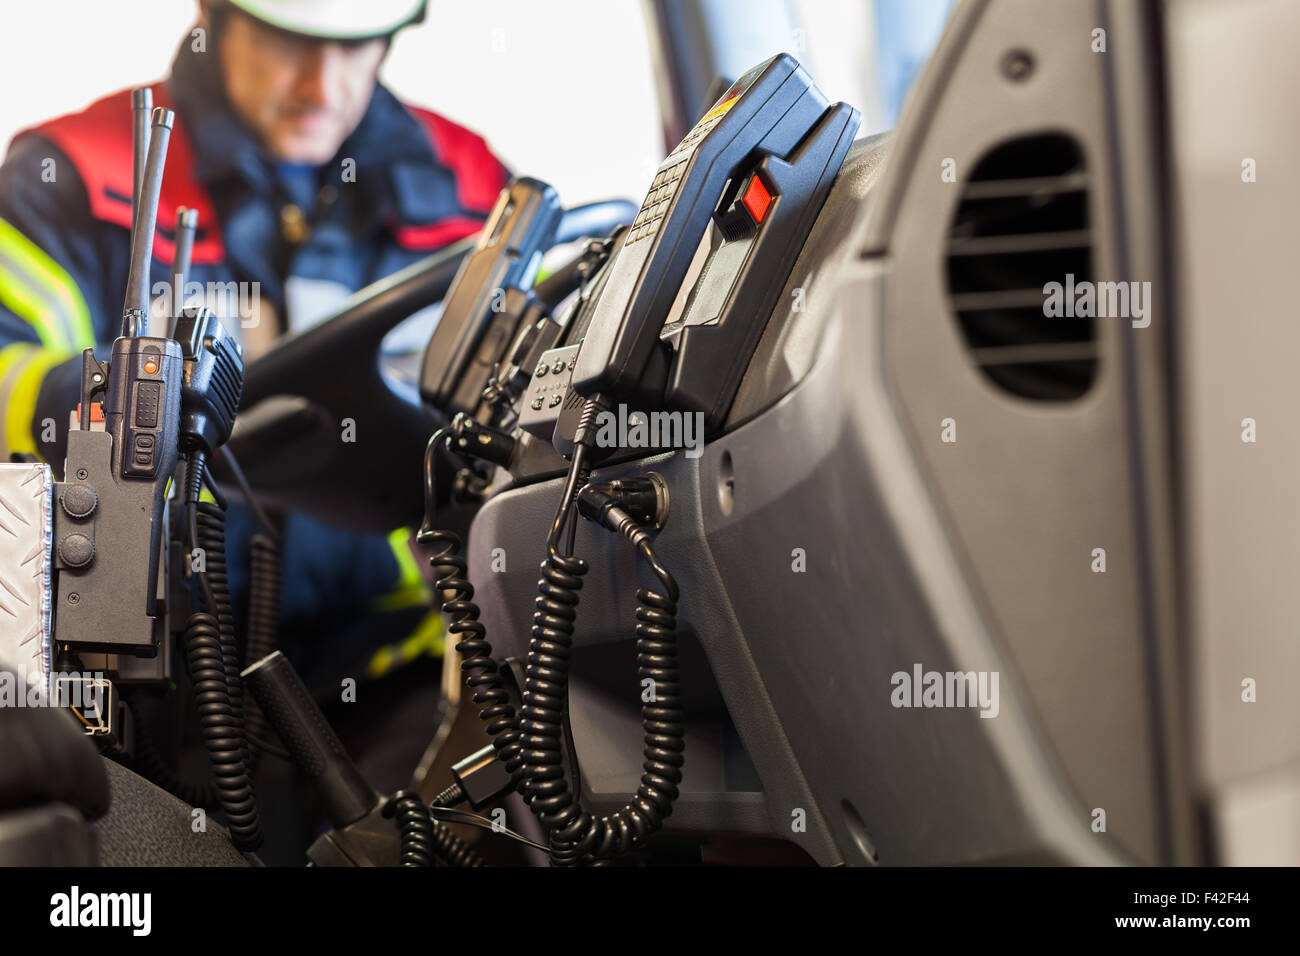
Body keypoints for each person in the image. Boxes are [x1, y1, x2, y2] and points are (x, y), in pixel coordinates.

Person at [0, 0, 509, 686]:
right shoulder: (73, 179)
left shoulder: (472, 189)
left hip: (402, 656)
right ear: (216, 16)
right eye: (290, 43)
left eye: (356, 47)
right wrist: (133, 393)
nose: (323, 89)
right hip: (149, 669)